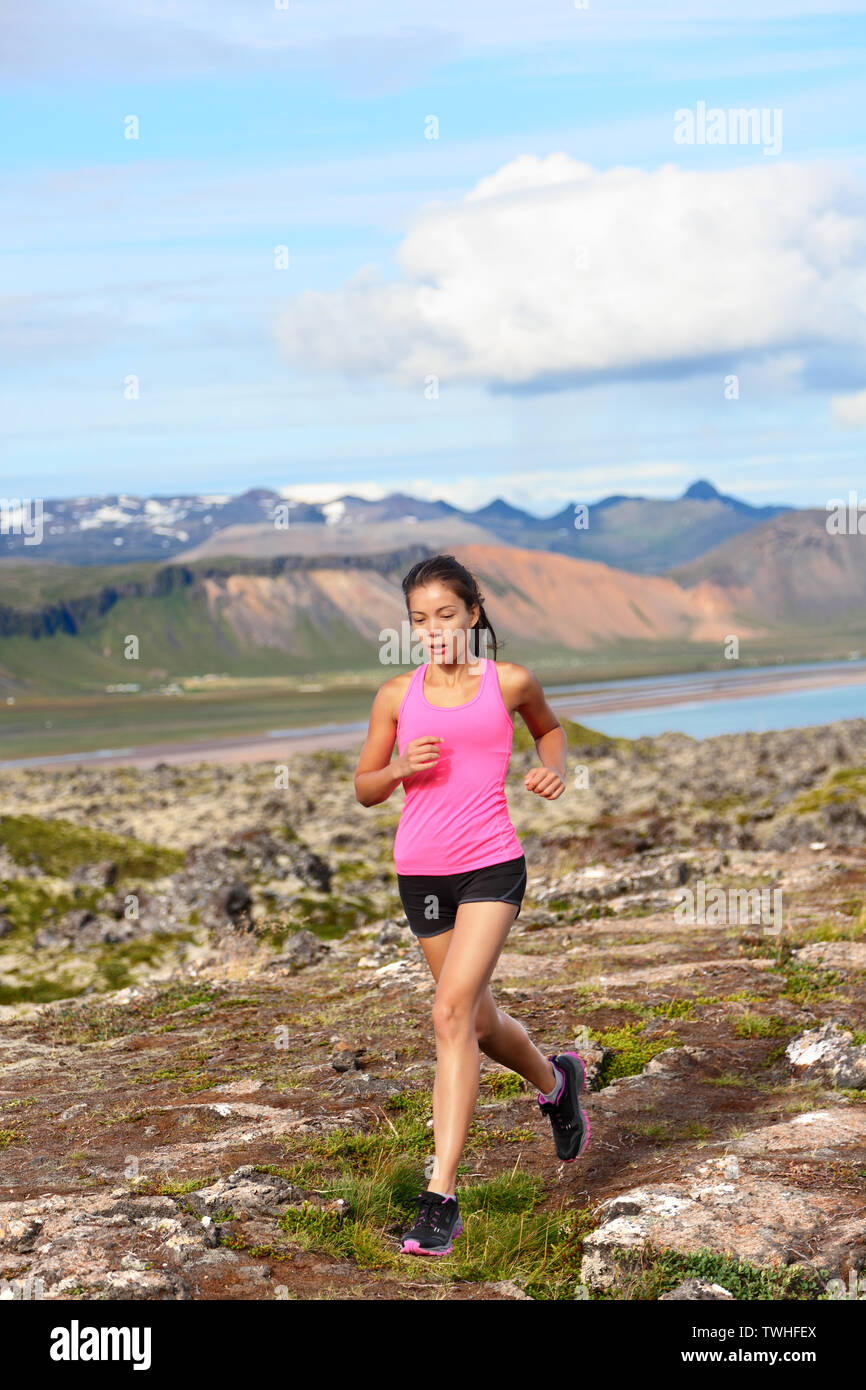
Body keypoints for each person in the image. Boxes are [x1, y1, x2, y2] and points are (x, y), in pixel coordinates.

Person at [354, 554, 589, 1256]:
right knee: (478, 1023)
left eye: (445, 616)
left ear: (473, 614)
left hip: (491, 866)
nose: (433, 631)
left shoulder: (509, 682)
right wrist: (398, 768)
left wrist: (552, 767)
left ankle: (441, 1198)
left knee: (449, 1012)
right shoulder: (396, 696)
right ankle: (557, 1081)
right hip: (420, 876)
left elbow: (549, 730)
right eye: (420, 620)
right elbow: (364, 786)